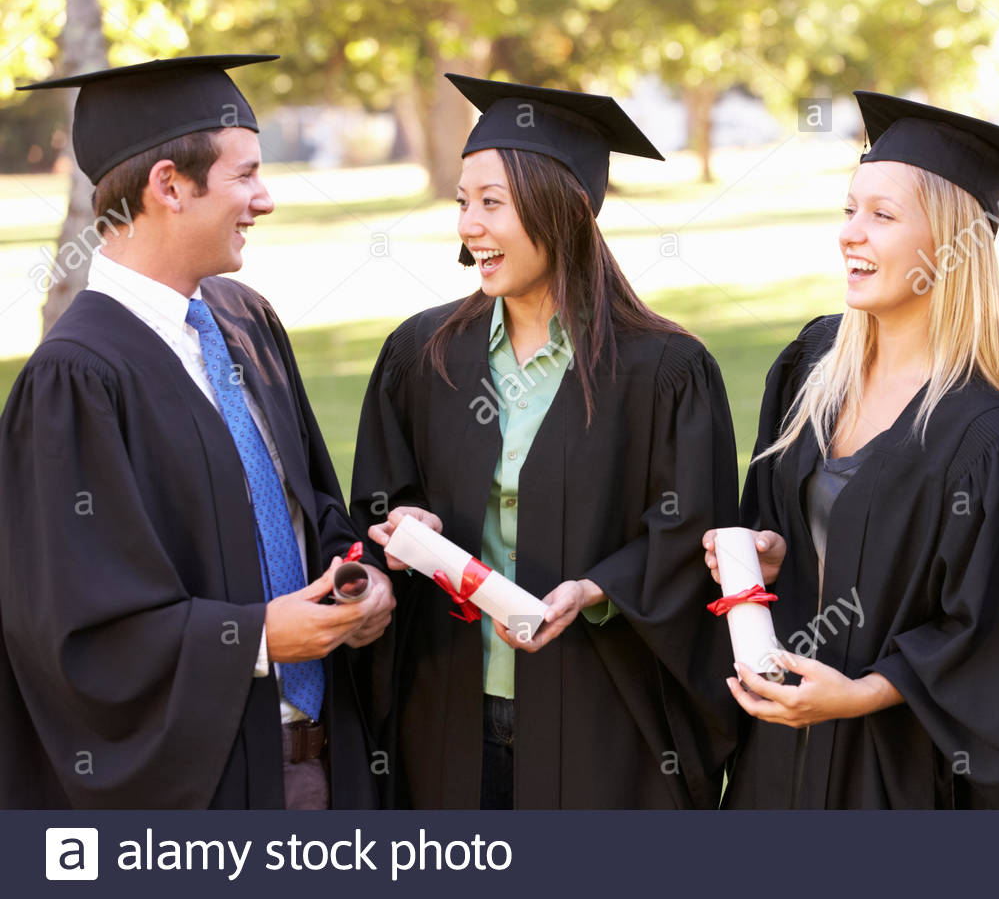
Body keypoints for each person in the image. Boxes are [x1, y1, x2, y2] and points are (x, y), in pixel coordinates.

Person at [0, 55, 394, 809]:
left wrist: (359, 576)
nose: (266, 200)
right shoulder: (76, 380)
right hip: (203, 790)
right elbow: (74, 628)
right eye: (245, 176)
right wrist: (250, 641)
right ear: (170, 187)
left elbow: (312, 501)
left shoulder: (245, 322)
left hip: (323, 769)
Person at [351, 75, 739, 809]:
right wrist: (405, 523)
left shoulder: (665, 372)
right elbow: (381, 495)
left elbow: (692, 536)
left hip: (603, 725)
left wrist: (597, 588)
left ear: (561, 208)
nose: (469, 224)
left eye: (491, 202)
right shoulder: (423, 355)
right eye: (463, 201)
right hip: (446, 716)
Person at [704, 93, 999, 808]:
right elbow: (777, 523)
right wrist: (769, 551)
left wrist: (861, 693)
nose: (850, 235)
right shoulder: (812, 365)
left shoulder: (983, 438)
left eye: (882, 217)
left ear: (952, 246)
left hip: (894, 774)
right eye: (849, 210)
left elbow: (986, 636)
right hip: (778, 751)